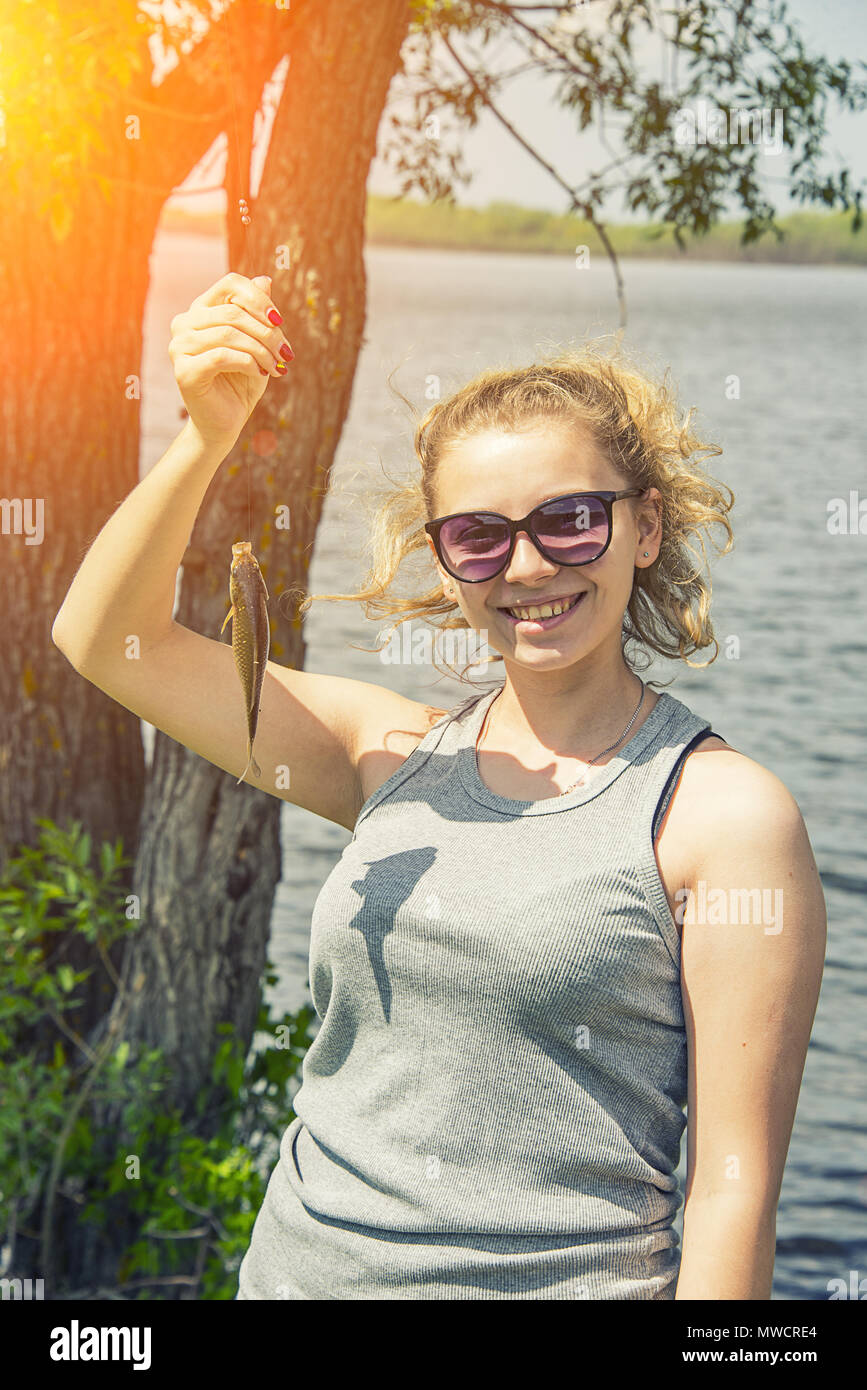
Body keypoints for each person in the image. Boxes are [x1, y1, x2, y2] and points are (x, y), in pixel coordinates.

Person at [52, 272, 826, 1301]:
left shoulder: (722, 817)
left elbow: (731, 1194)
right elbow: (109, 639)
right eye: (480, 536)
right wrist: (205, 437)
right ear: (448, 563)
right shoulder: (389, 755)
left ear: (645, 528)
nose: (528, 564)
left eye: (572, 520)